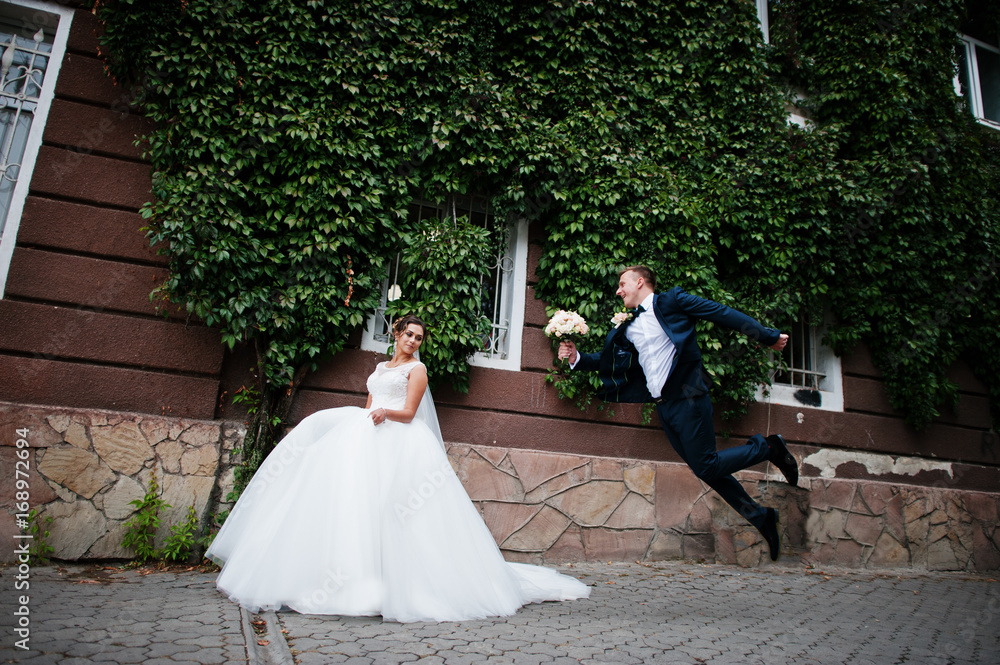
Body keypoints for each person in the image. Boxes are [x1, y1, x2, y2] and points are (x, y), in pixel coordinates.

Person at [207, 314, 590, 622]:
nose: (412, 342)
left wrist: (382, 413)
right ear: (396, 333)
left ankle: (400, 583)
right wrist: (368, 417)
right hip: (368, 437)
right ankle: (349, 579)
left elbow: (407, 413)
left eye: (419, 338)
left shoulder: (417, 371)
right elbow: (369, 401)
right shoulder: (379, 366)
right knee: (354, 505)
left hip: (399, 440)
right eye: (409, 334)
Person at [556, 266, 798, 561]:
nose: (618, 291)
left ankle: (769, 447)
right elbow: (614, 363)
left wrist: (767, 336)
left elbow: (722, 313)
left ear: (640, 282)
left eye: (622, 284)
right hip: (664, 406)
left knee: (707, 465)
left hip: (689, 397)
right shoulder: (628, 327)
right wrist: (576, 358)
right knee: (707, 469)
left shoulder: (672, 301)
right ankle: (761, 517)